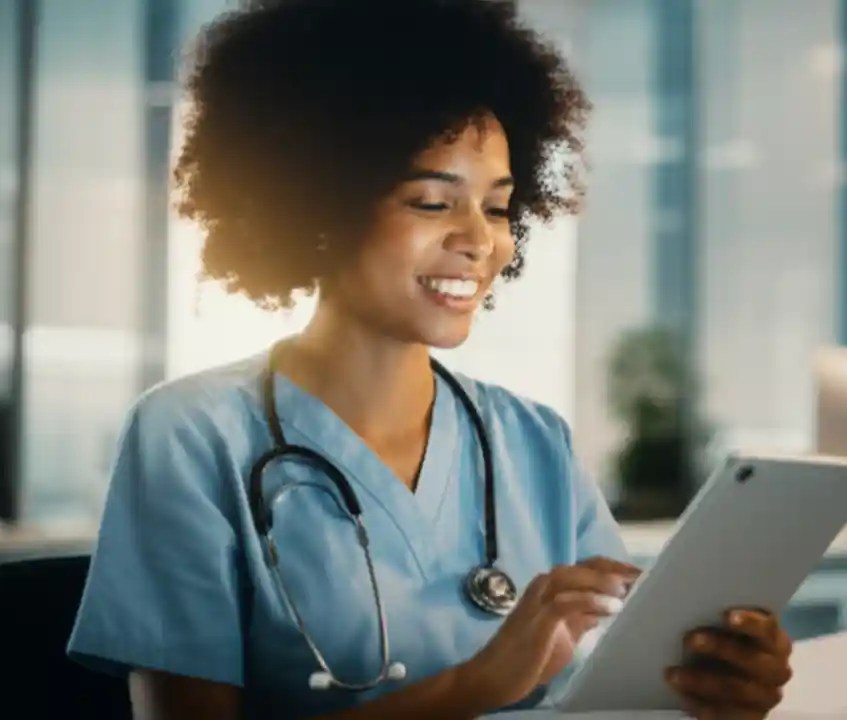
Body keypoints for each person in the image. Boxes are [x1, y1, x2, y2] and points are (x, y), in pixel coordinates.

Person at [66, 1, 794, 718]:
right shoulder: (190, 436)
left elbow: (610, 689)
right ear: (317, 209)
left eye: (500, 207)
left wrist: (708, 687)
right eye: (431, 202)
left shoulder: (534, 442)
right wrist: (470, 688)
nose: (481, 241)